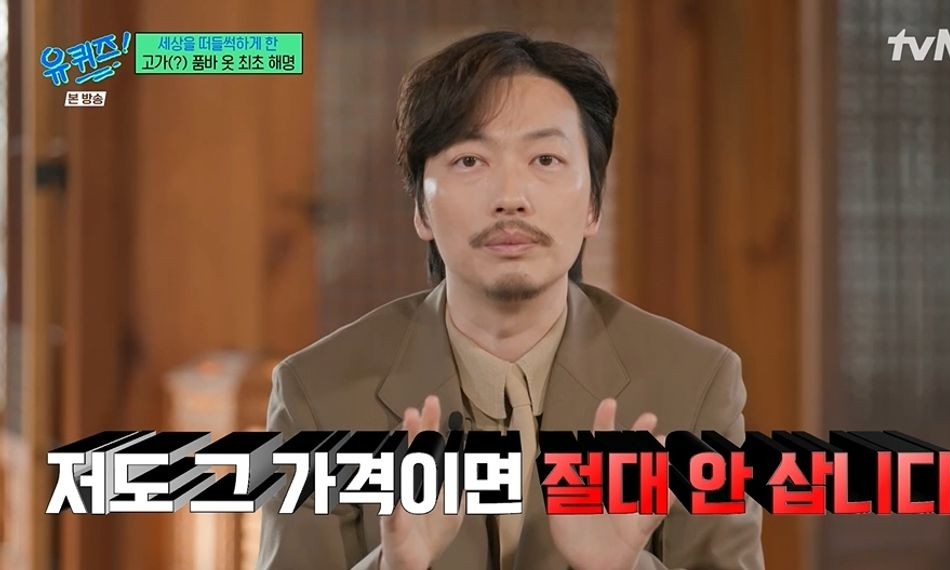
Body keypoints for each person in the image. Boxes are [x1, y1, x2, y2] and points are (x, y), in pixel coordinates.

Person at [257, 30, 763, 570]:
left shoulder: (695, 384)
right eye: (470, 161)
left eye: (545, 159)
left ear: (593, 206)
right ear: (421, 210)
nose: (510, 199)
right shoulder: (316, 395)